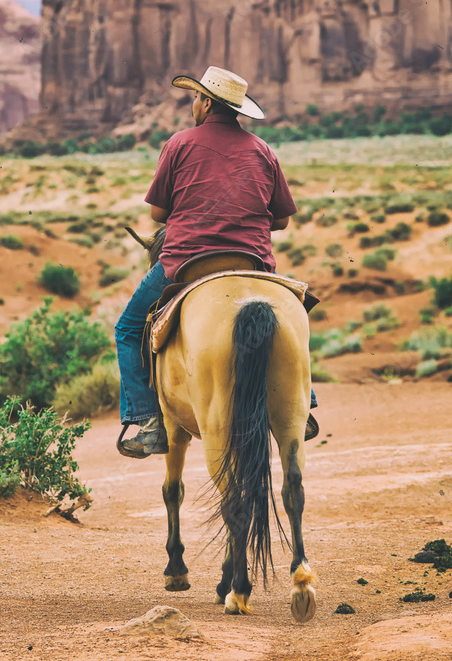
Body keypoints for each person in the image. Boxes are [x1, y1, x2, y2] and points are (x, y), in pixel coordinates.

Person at [115, 66, 317, 459]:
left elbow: (158, 214)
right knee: (294, 317)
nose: (194, 104)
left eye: (196, 97)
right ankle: (302, 403)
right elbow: (282, 220)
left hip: (185, 261)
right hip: (253, 263)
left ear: (207, 102)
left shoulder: (178, 144)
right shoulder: (263, 151)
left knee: (127, 328)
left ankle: (149, 421)